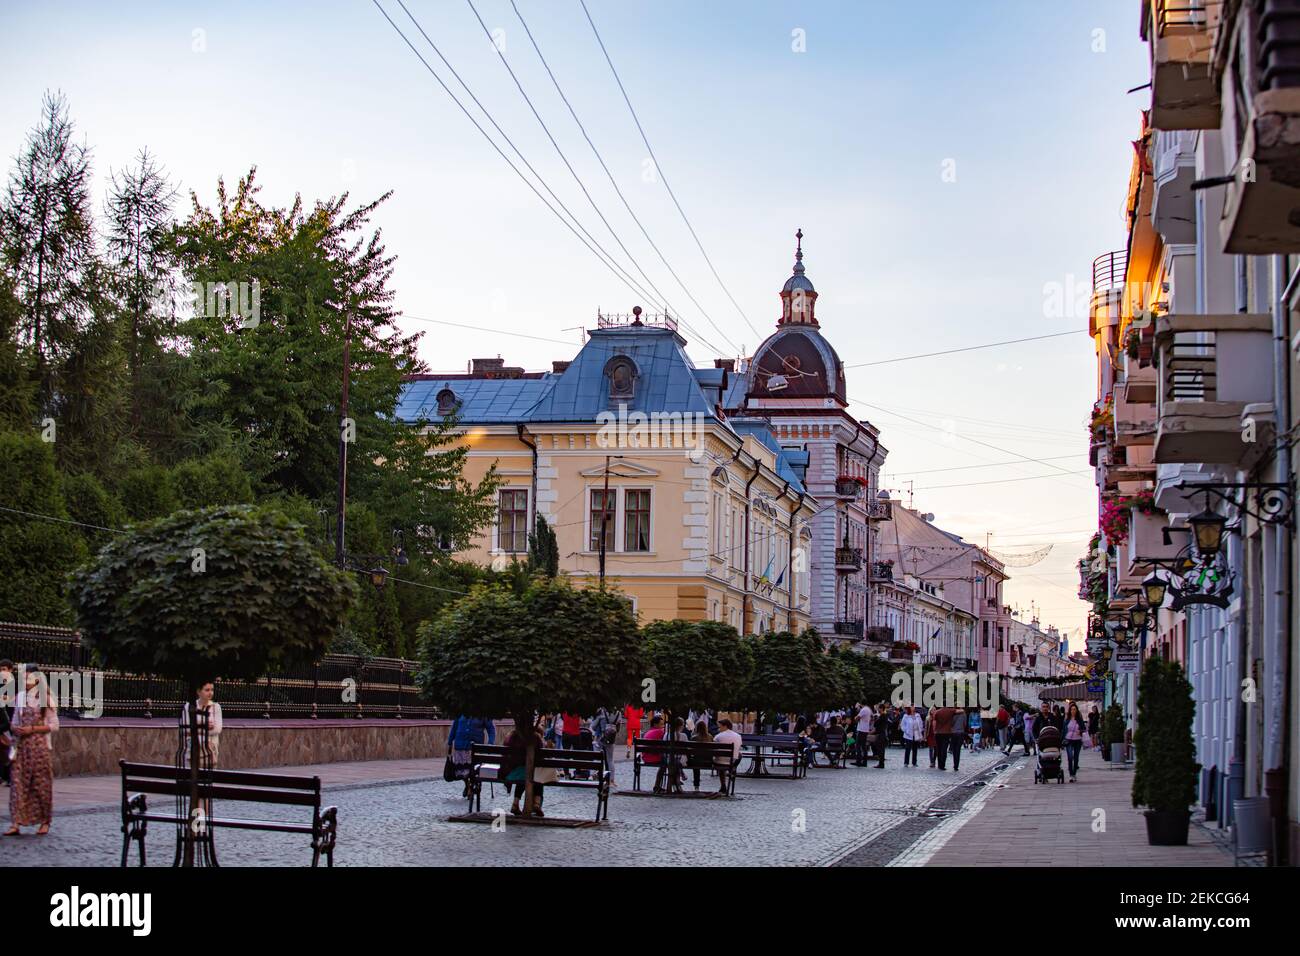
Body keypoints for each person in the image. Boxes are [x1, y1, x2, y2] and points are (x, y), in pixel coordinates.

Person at [4, 665, 57, 836]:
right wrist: (15, 728)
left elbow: (54, 725)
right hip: (21, 747)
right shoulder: (19, 698)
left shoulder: (46, 699)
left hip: (39, 747)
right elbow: (13, 721)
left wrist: (33, 729)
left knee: (40, 784)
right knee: (17, 784)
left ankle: (45, 821)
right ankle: (16, 822)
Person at [447, 713, 496, 797]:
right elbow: (454, 726)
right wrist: (450, 741)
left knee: (473, 769)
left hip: (475, 746)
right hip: (460, 745)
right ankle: (467, 784)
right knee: (462, 770)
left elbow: (491, 729)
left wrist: (490, 743)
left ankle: (473, 785)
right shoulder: (461, 710)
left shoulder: (482, 712)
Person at [713, 718, 742, 794]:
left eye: (720, 726)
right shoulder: (738, 736)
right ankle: (733, 768)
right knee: (740, 755)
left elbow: (714, 749)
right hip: (732, 761)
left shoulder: (718, 736)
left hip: (719, 762)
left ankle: (723, 786)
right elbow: (738, 748)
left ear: (725, 726)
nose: (719, 728)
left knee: (721, 760)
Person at [0, 659, 14, 787]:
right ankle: (5, 777)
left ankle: (10, 777)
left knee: (9, 750)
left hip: (11, 721)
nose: (2, 672)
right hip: (3, 722)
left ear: (10, 670)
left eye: (4, 669)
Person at [1064, 703, 1086, 781]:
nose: (1073, 711)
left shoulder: (1079, 720)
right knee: (1070, 757)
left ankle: (1074, 774)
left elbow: (1084, 729)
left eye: (1074, 709)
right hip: (1068, 740)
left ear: (1076, 711)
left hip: (1077, 740)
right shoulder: (1067, 720)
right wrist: (1062, 739)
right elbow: (1064, 730)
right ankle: (1071, 774)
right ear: (1070, 711)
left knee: (1076, 758)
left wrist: (1080, 731)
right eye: (1072, 709)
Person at [689, 720, 713, 790]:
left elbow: (690, 751)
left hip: (696, 762)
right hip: (708, 762)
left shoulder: (694, 737)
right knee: (697, 762)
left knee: (696, 765)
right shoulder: (710, 737)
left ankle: (696, 786)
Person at [853, 702, 873, 766]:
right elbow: (872, 718)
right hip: (866, 729)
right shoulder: (869, 709)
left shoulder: (863, 709)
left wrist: (855, 717)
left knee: (858, 746)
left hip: (861, 729)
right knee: (864, 746)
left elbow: (857, 718)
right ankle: (864, 761)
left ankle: (858, 761)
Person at [949, 706, 966, 772]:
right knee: (958, 750)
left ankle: (954, 764)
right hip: (960, 732)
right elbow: (965, 723)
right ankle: (956, 765)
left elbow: (951, 723)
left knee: (954, 749)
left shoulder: (953, 713)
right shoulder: (963, 713)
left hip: (953, 733)